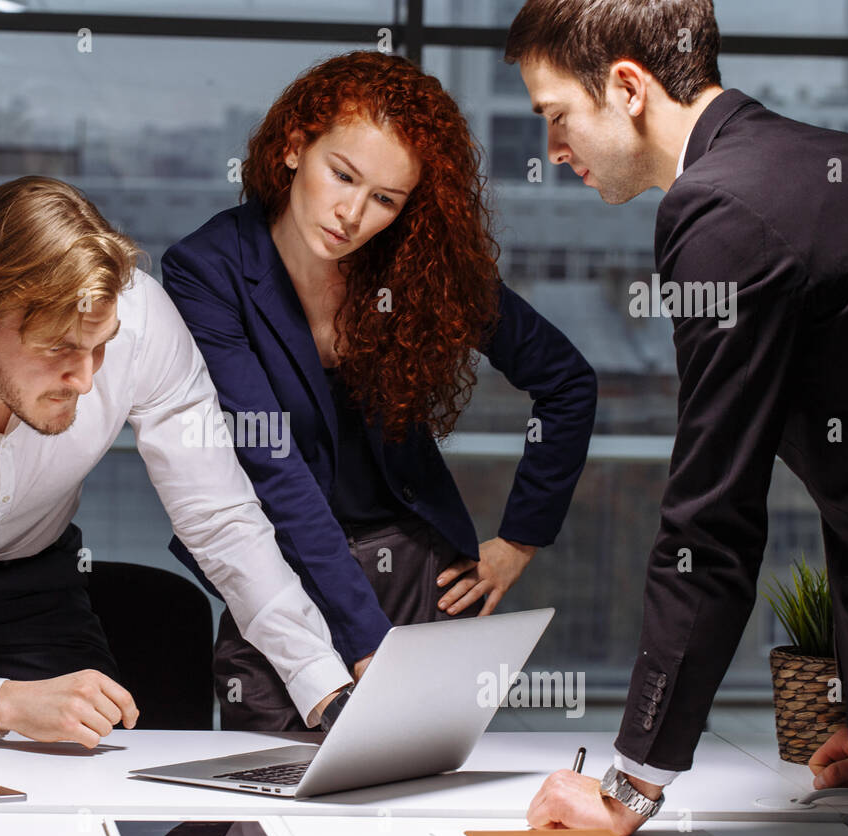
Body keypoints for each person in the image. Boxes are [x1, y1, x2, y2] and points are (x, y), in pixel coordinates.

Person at [505, 0, 848, 836]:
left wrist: (628, 786)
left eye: (556, 116)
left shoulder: (720, 213)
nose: (554, 150)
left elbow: (711, 519)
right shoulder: (842, 164)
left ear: (628, 87)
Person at [0, 176, 358, 750]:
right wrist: (4, 703)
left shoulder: (138, 323)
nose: (88, 380)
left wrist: (324, 685)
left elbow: (220, 519)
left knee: (90, 760)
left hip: (33, 593)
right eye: (57, 349)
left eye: (100, 347)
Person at [161, 51, 598, 730]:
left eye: (386, 200)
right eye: (342, 176)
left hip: (422, 577)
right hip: (284, 586)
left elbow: (568, 382)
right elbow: (275, 469)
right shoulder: (208, 269)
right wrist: (367, 640)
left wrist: (520, 538)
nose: (352, 214)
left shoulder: (420, 268)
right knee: (273, 806)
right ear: (293, 147)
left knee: (417, 806)